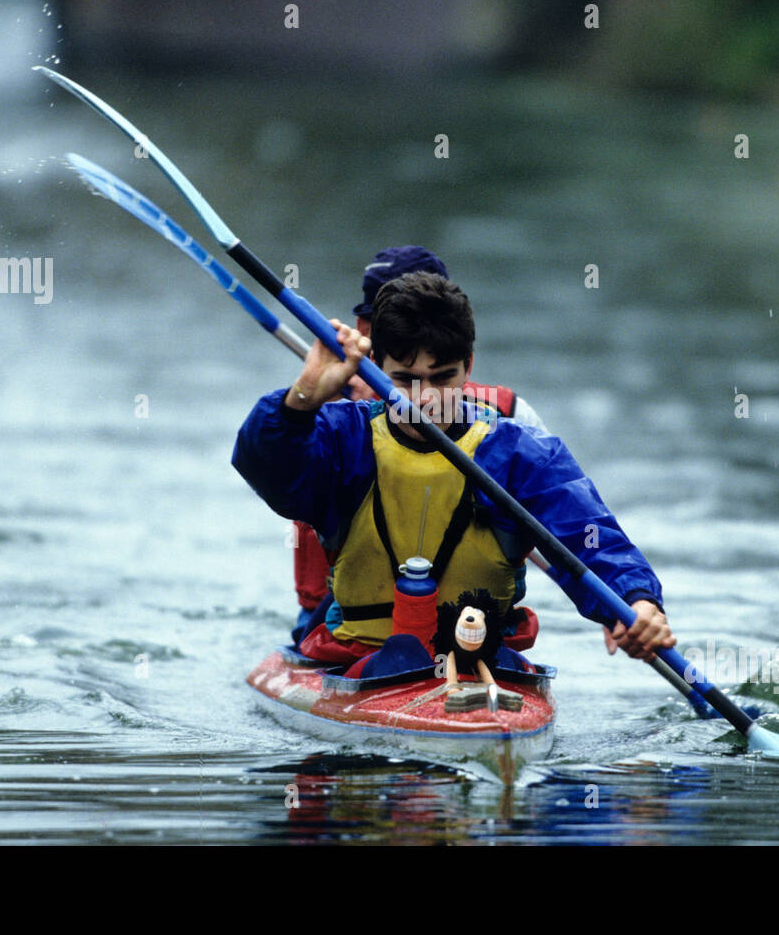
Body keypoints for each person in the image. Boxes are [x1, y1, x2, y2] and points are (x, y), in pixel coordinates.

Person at [233, 271, 674, 672]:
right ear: (375, 369)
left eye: (443, 377)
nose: (424, 400)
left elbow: (590, 536)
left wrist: (640, 604)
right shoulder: (341, 438)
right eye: (403, 379)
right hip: (357, 662)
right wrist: (305, 396)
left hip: (482, 661)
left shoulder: (520, 453)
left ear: (469, 367)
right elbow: (264, 466)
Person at [288, 245, 544, 651]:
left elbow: (560, 520)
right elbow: (275, 463)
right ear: (365, 328)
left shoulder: (508, 417)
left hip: (467, 621)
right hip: (349, 610)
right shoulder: (339, 409)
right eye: (376, 324)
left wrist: (609, 602)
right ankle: (313, 635)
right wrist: (307, 399)